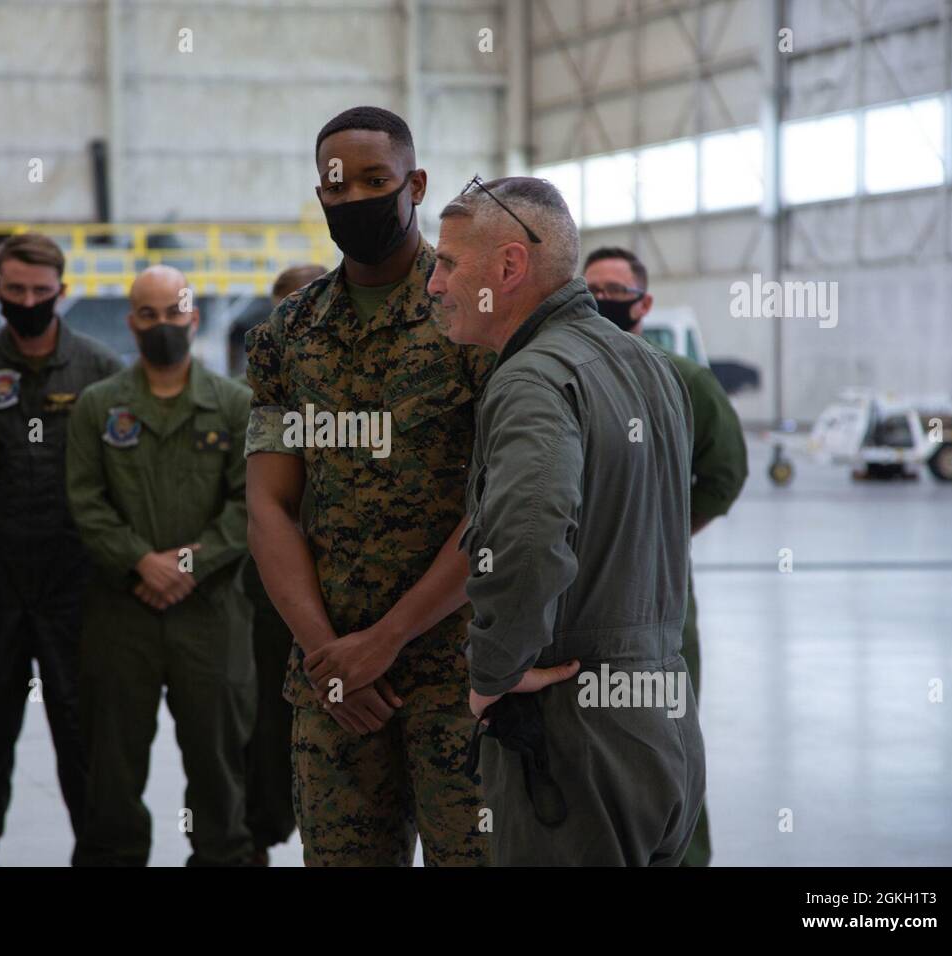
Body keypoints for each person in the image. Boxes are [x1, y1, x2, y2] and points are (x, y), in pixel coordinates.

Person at [428, 176, 704, 866]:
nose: (434, 285)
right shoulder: (651, 367)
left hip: (579, 738)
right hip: (665, 723)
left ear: (509, 267)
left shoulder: (532, 379)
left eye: (448, 264)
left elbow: (528, 534)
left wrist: (494, 671)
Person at [245, 106, 491, 867]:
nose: (353, 198)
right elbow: (270, 505)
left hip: (462, 676)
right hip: (334, 687)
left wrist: (384, 642)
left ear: (416, 185)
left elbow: (497, 507)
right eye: (336, 185)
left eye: (375, 180)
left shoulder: (476, 319)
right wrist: (330, 656)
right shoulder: (287, 334)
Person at [67, 264, 254, 866]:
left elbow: (250, 503)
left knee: (218, 759)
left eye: (174, 312)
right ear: (131, 322)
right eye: (148, 314)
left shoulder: (234, 405)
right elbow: (85, 500)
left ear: (193, 317)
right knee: (112, 765)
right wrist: (140, 562)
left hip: (211, 612)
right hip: (123, 612)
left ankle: (223, 859)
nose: (162, 324)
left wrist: (188, 565)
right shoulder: (99, 406)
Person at [583, 245, 747, 866]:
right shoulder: (562, 374)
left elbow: (725, 473)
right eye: (592, 290)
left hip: (657, 596)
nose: (602, 301)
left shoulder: (684, 380)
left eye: (615, 291)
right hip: (576, 599)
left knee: (667, 744)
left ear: (644, 303)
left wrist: (664, 535)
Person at [0, 233, 121, 865]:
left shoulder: (100, 370)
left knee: (85, 744)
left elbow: (119, 481)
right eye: (15, 290)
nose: (27, 301)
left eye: (40, 291)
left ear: (62, 291)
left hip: (74, 586)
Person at [238, 263, 325, 865]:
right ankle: (259, 835)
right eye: (284, 313)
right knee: (261, 730)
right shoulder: (254, 401)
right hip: (267, 600)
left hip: (351, 594)